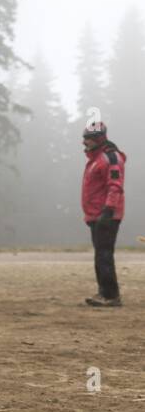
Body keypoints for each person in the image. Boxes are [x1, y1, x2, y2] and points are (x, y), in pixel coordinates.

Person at [81, 121, 126, 307]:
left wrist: (107, 212)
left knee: (104, 254)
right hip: (96, 215)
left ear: (98, 138)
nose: (84, 143)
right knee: (100, 254)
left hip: (106, 215)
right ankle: (104, 292)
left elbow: (115, 186)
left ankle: (111, 295)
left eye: (88, 139)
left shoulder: (111, 157)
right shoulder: (95, 159)